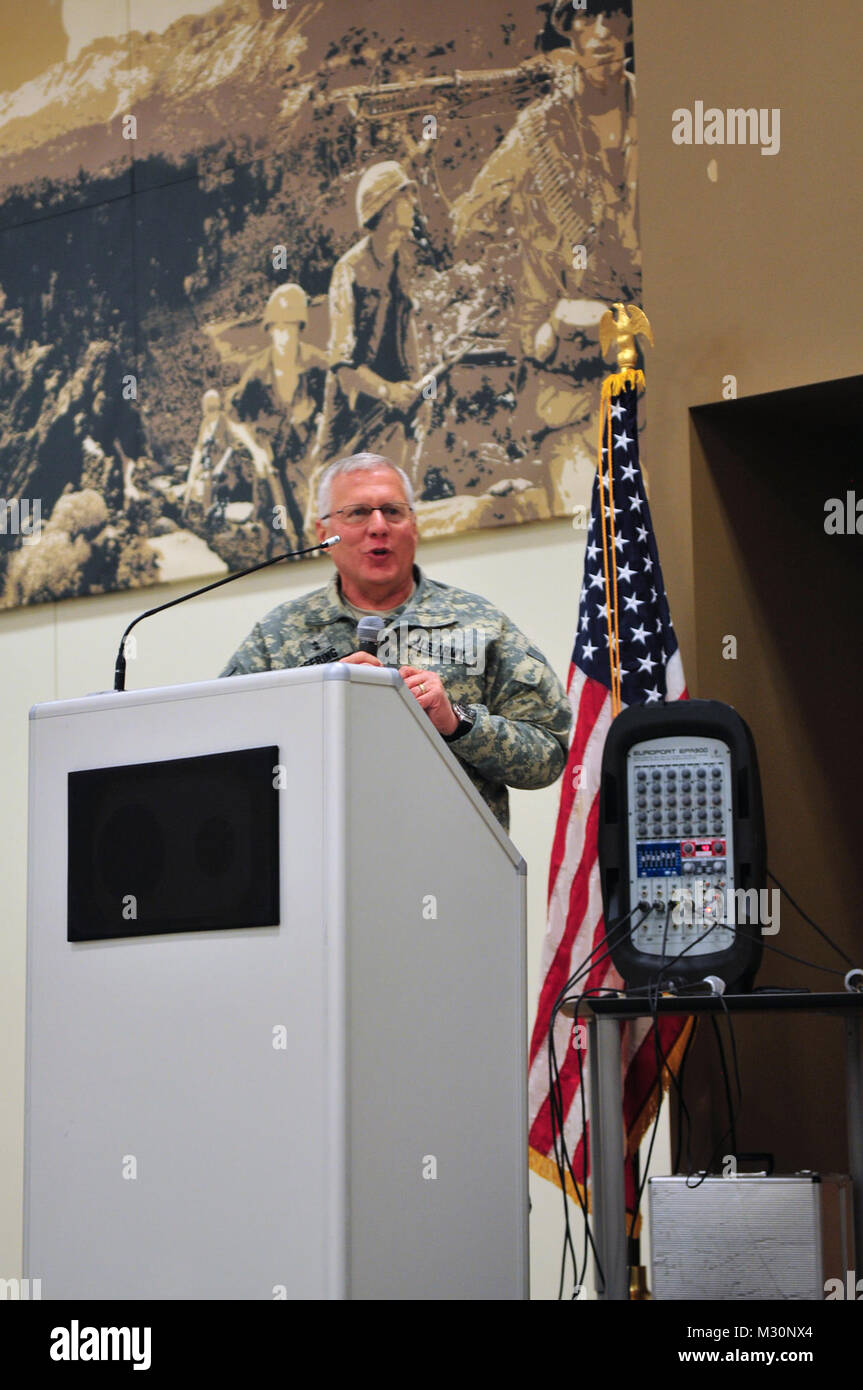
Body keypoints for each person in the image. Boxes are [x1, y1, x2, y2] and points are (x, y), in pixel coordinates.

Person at [221, 452, 571, 831]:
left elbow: (547, 756)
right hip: (313, 860)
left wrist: (458, 723)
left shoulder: (479, 623)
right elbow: (222, 751)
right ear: (323, 535)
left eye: (392, 511)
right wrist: (307, 703)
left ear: (414, 526)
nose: (378, 526)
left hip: (453, 861)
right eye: (357, 512)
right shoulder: (277, 634)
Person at [305, 162, 427, 531]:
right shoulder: (350, 269)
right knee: (329, 484)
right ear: (387, 207)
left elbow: (407, 330)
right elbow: (342, 362)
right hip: (354, 401)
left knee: (388, 489)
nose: (413, 203)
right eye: (406, 196)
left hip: (392, 396)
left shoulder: (403, 262)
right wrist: (388, 390)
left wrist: (416, 388)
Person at [227, 283, 328, 542]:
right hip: (270, 464)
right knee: (278, 535)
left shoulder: (317, 364)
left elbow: (336, 408)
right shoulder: (258, 372)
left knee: (314, 529)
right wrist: (256, 451)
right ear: (270, 330)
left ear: (299, 329)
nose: (284, 337)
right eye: (278, 329)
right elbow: (233, 416)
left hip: (306, 461)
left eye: (290, 329)